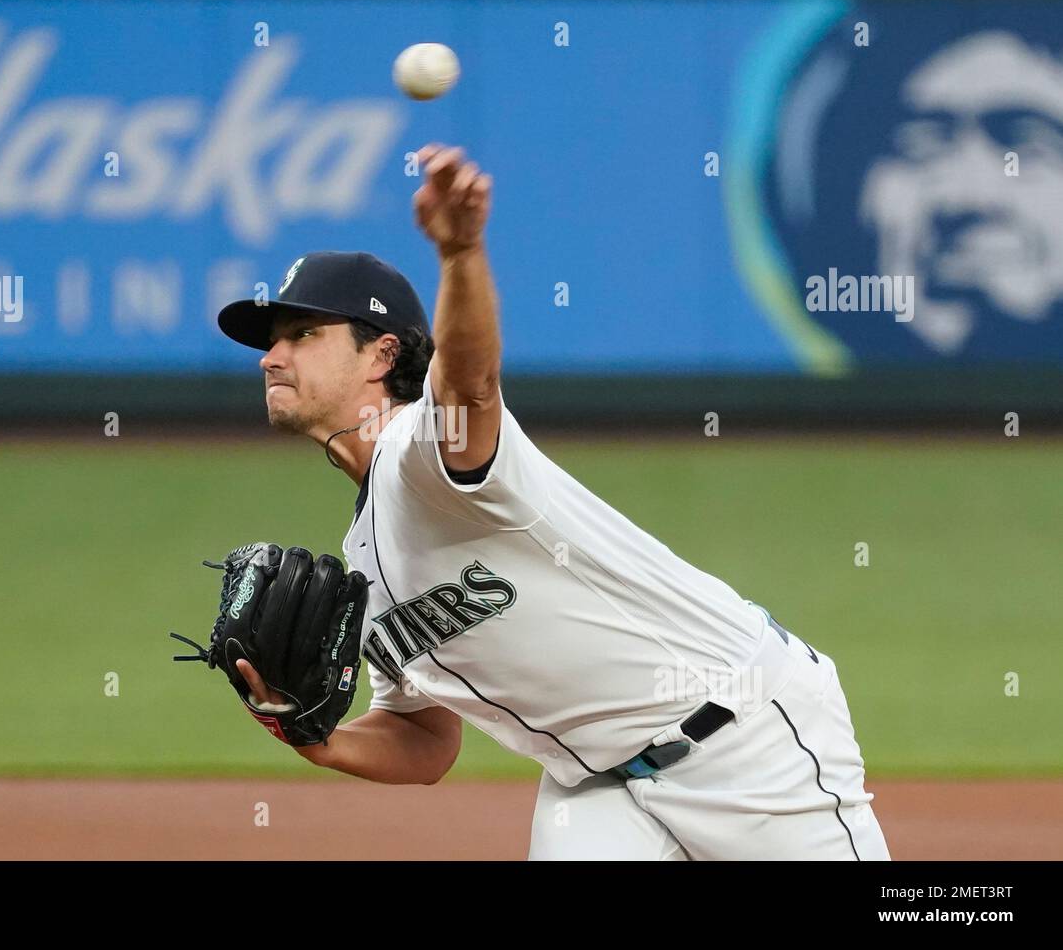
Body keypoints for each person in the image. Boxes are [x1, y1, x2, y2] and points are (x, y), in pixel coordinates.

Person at [214, 143, 890, 860]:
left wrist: (461, 254)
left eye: (301, 335)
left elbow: (469, 383)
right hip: (596, 789)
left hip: (746, 739)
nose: (271, 356)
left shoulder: (423, 447)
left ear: (382, 355)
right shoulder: (363, 564)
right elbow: (424, 740)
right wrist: (319, 741)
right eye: (271, 341)